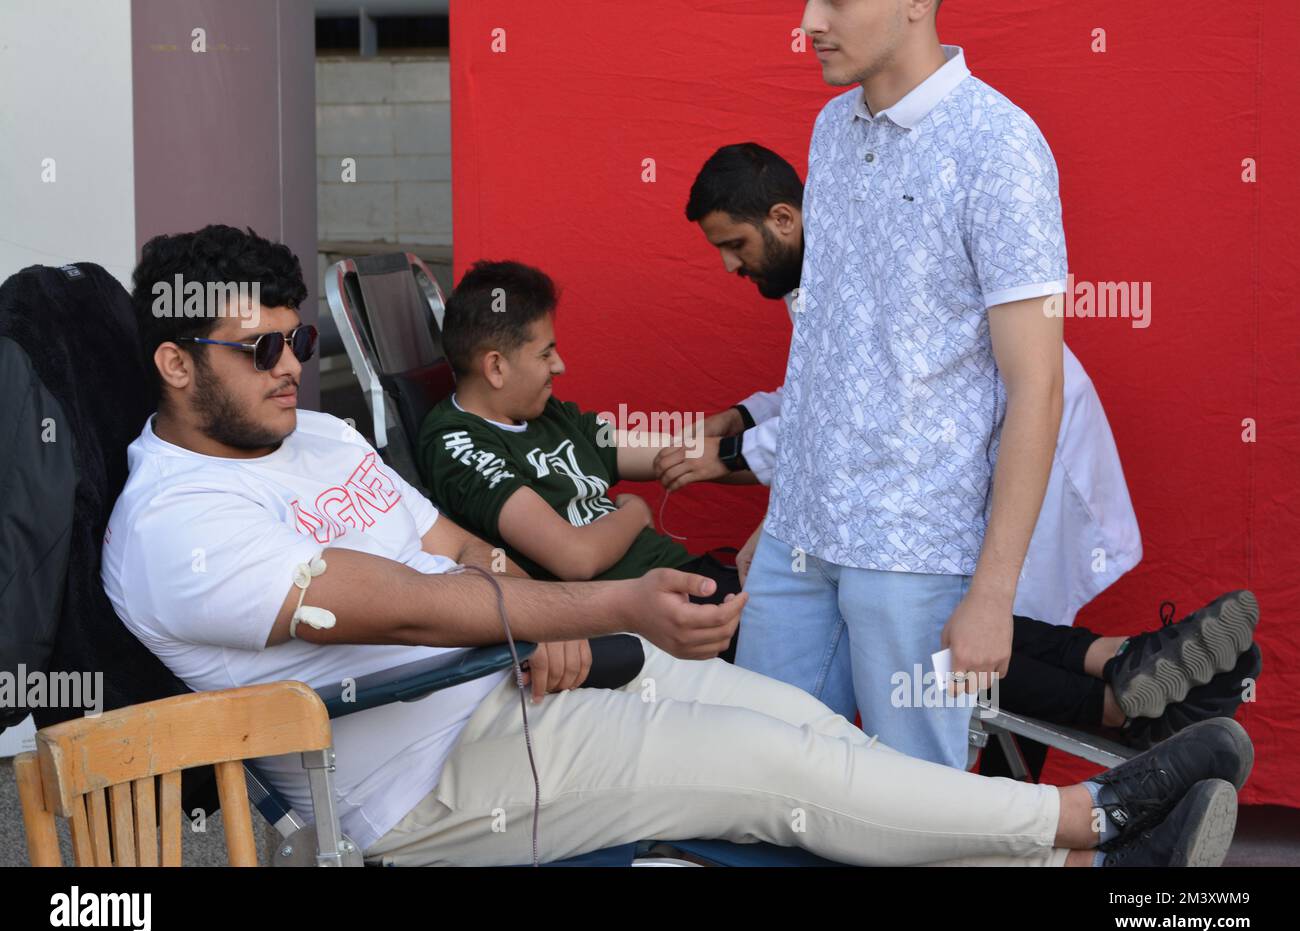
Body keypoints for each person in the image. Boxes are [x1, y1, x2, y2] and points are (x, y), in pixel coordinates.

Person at [101, 225, 1252, 867]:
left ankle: (1071, 831)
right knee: (782, 776)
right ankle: (1093, 826)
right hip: (429, 781)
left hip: (515, 679)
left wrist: (518, 613)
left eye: (300, 336)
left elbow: (451, 546)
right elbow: (409, 605)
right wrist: (584, 611)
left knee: (804, 721)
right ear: (173, 361)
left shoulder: (309, 434)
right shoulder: (174, 527)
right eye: (262, 349)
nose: (293, 364)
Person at [665, 141, 1259, 753]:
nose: (730, 267)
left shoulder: (856, 265)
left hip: (1019, 435)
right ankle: (1131, 667)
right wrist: (739, 419)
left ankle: (1115, 714)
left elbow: (861, 401)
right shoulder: (822, 268)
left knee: (965, 639)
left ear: (783, 218)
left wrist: (736, 458)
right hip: (964, 446)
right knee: (959, 631)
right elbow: (821, 386)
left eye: (734, 245)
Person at [698, 0, 1073, 770]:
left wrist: (993, 595)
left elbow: (1035, 387)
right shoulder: (832, 130)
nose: (808, 21)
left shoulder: (1001, 146)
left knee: (917, 806)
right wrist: (789, 500)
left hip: (916, 554)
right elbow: (826, 344)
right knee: (768, 784)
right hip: (802, 541)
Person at [417, 259, 745, 664]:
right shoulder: (457, 441)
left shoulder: (547, 414)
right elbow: (575, 558)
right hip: (638, 618)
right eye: (545, 353)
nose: (560, 365)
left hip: (687, 579)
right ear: (496, 367)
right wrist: (635, 512)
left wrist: (750, 454)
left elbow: (672, 452)